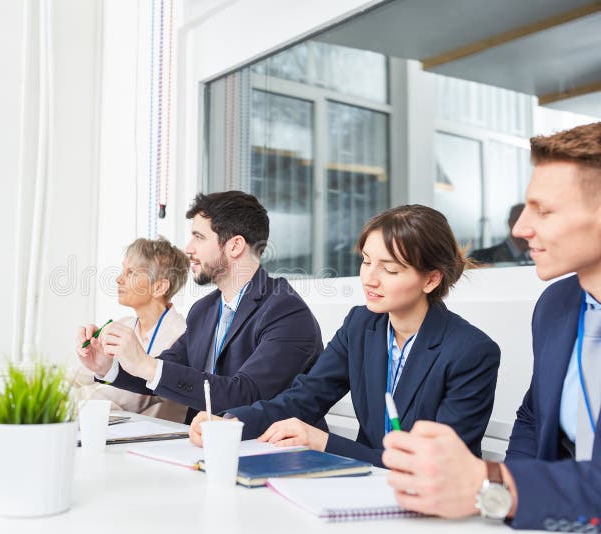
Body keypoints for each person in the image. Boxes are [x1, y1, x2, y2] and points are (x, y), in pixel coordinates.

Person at [382, 122, 601, 530]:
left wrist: (494, 482)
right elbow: (534, 420)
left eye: (545, 210)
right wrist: (503, 506)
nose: (519, 229)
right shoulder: (556, 306)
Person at [188, 204, 501, 466]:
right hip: (365, 487)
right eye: (365, 262)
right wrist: (230, 422)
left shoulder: (471, 352)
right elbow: (304, 399)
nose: (370, 279)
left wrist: (324, 442)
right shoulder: (361, 325)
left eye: (389, 270)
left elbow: (434, 464)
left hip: (433, 504)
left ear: (431, 279)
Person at [76, 191, 323, 425]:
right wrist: (106, 366)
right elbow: (167, 369)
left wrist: (145, 363)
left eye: (199, 237)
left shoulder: (286, 312)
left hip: (275, 453)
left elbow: (245, 394)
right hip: (205, 444)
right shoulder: (204, 310)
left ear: (235, 246)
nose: (188, 248)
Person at [74, 237, 189, 422]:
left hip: (156, 441)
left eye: (131, 273)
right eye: (123, 271)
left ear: (159, 287)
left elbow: (134, 397)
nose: (118, 279)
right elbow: (81, 375)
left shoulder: (180, 336)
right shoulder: (124, 325)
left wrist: (67, 398)